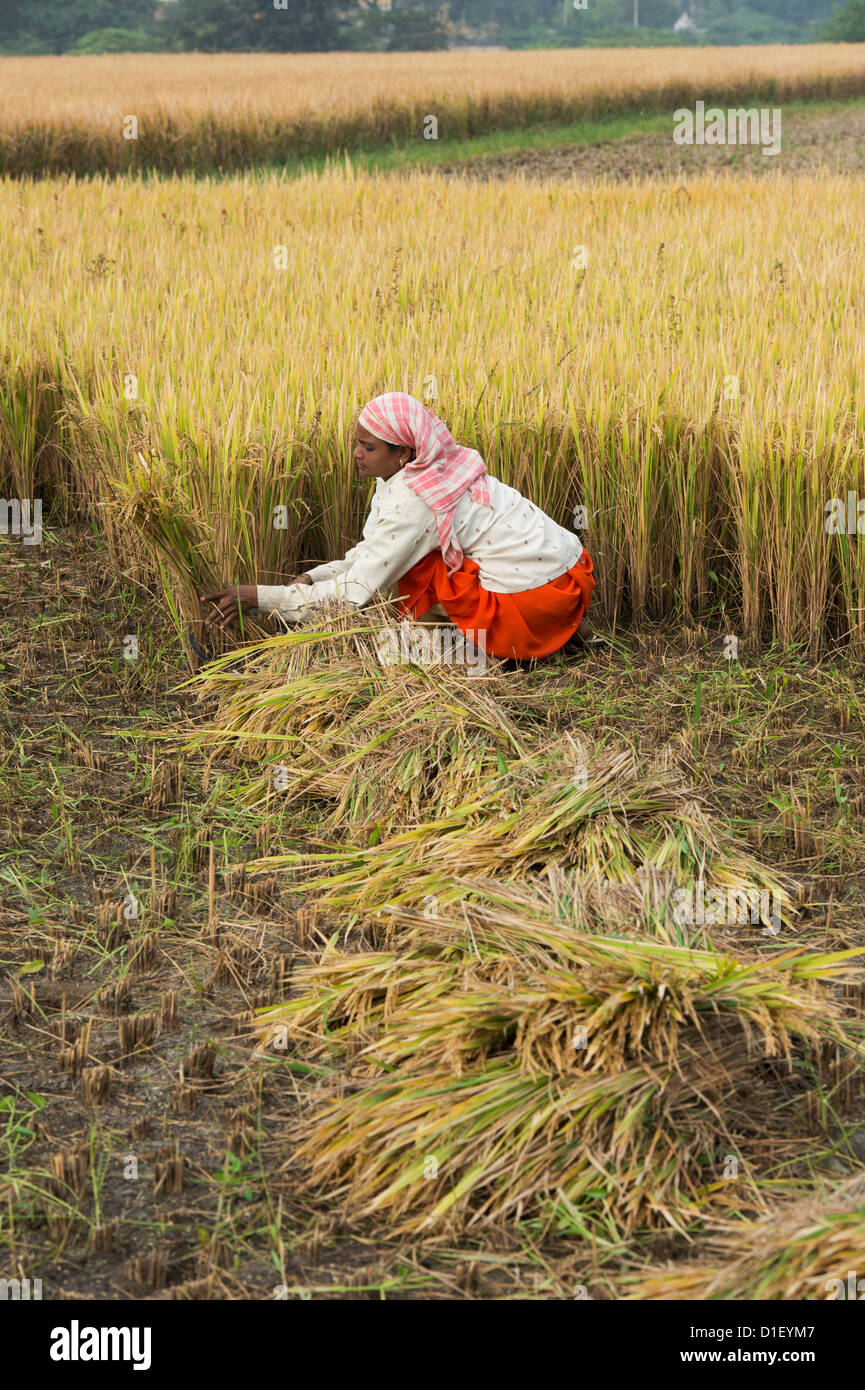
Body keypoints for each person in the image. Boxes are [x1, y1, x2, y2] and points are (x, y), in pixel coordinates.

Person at [202, 392, 597, 662]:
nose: (357, 454)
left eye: (369, 448)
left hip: (544, 599)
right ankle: (529, 639)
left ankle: (492, 653)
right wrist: (307, 578)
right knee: (417, 566)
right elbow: (369, 554)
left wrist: (260, 597)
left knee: (413, 589)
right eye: (356, 442)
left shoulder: (417, 500)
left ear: (403, 452)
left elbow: (356, 592)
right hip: (564, 567)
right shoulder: (419, 472)